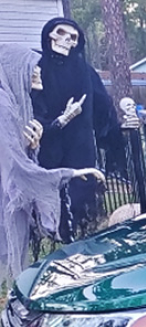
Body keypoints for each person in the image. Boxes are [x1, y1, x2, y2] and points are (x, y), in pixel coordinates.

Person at [0, 44, 102, 279]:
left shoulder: (18, 103)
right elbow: (16, 169)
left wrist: (32, 146)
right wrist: (69, 174)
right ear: (14, 69)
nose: (39, 73)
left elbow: (14, 153)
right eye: (33, 69)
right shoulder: (3, 106)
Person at [32, 18, 123, 242]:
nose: (66, 40)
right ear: (48, 36)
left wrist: (114, 139)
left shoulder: (84, 71)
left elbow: (103, 107)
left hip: (79, 147)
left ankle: (82, 240)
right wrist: (60, 121)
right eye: (60, 33)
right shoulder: (37, 68)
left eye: (73, 37)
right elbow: (32, 109)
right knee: (54, 203)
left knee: (82, 200)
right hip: (48, 148)